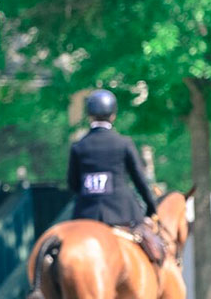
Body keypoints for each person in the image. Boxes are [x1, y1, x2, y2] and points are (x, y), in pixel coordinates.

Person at [68, 89, 159, 230]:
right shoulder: (124, 143)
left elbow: (73, 183)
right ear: (113, 116)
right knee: (153, 248)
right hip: (122, 213)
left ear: (89, 116)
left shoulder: (78, 146)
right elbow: (139, 180)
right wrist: (151, 207)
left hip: (86, 213)